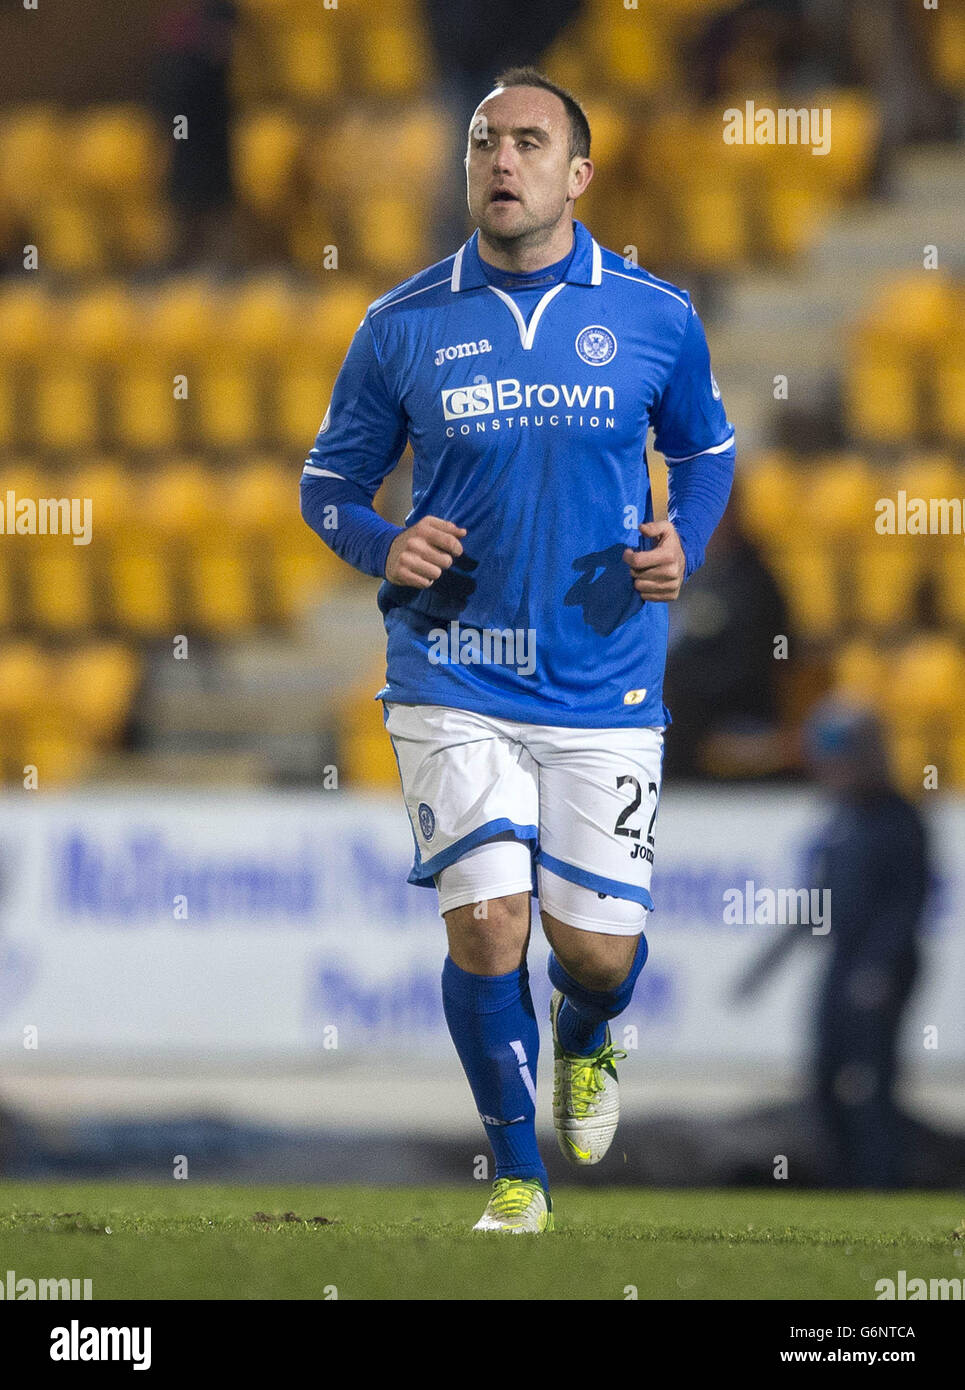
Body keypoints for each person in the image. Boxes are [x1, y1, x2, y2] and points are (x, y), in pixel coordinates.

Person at [300, 69, 735, 1232]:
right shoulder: (401, 324)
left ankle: (588, 1034)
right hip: (454, 670)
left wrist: (679, 542)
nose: (501, 160)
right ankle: (514, 1177)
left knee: (591, 954)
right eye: (484, 141)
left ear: (576, 174)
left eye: (528, 142)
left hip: (603, 676)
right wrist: (384, 545)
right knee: (487, 923)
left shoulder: (654, 315)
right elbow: (327, 482)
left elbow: (705, 452)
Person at [733, 698, 930, 1188]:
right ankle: (839, 1179)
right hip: (842, 963)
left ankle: (880, 1181)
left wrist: (878, 969)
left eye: (844, 762)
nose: (834, 773)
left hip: (883, 967)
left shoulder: (900, 820)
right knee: (823, 1075)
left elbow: (907, 905)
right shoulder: (838, 820)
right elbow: (812, 904)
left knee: (870, 1080)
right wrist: (764, 967)